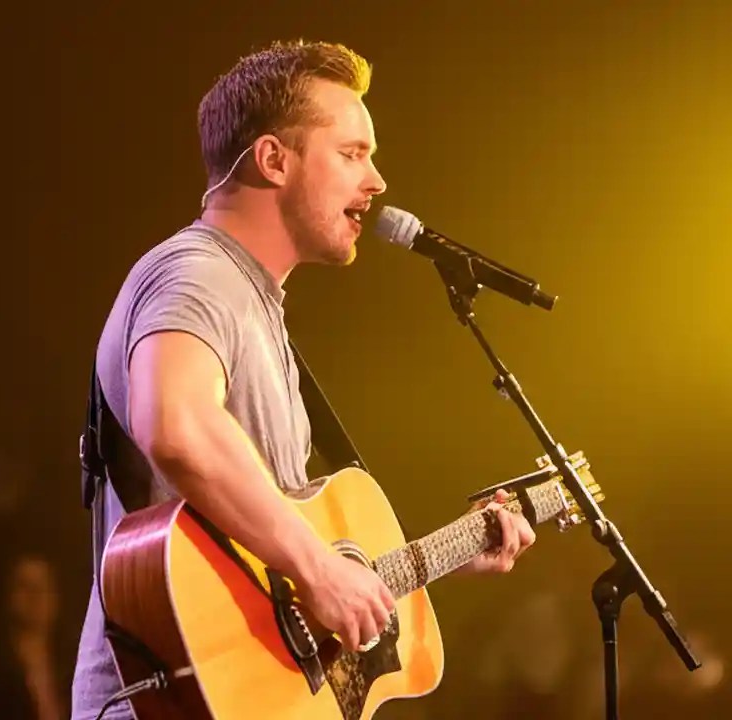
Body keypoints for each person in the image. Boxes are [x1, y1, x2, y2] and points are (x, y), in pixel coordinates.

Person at [69, 39, 538, 720]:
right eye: (352, 153)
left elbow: (269, 580)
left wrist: (436, 555)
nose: (377, 181)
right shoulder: (199, 274)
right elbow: (176, 425)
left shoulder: (253, 306)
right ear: (272, 159)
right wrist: (319, 570)